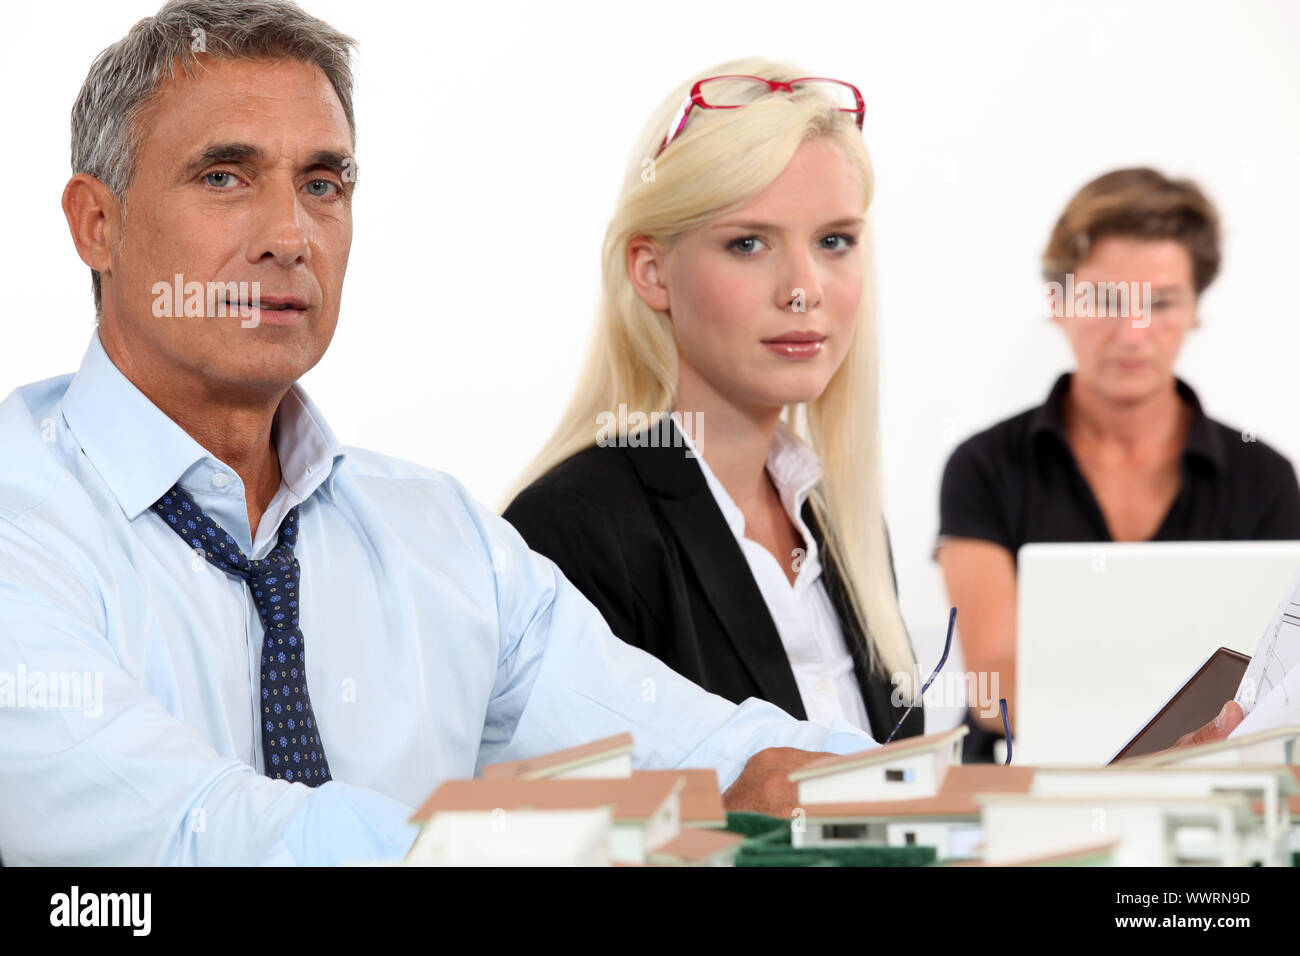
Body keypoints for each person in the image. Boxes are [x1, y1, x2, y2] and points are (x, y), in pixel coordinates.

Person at [0, 1, 887, 866]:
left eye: (322, 184)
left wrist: (869, 794)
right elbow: (202, 834)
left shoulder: (442, 536)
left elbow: (680, 735)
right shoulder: (22, 525)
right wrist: (621, 836)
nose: (289, 235)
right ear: (97, 223)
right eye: (223, 177)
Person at [503, 59, 932, 745]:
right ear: (652, 271)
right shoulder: (572, 533)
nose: (803, 288)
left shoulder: (841, 520)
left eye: (834, 241)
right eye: (749, 243)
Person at [935, 168, 1300, 761]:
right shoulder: (985, 465)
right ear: (1058, 304)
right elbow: (991, 688)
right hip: (1020, 787)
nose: (1133, 332)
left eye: (1160, 302)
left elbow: (1282, 681)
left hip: (1211, 779)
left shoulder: (1265, 475)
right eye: (1105, 299)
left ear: (1195, 309)